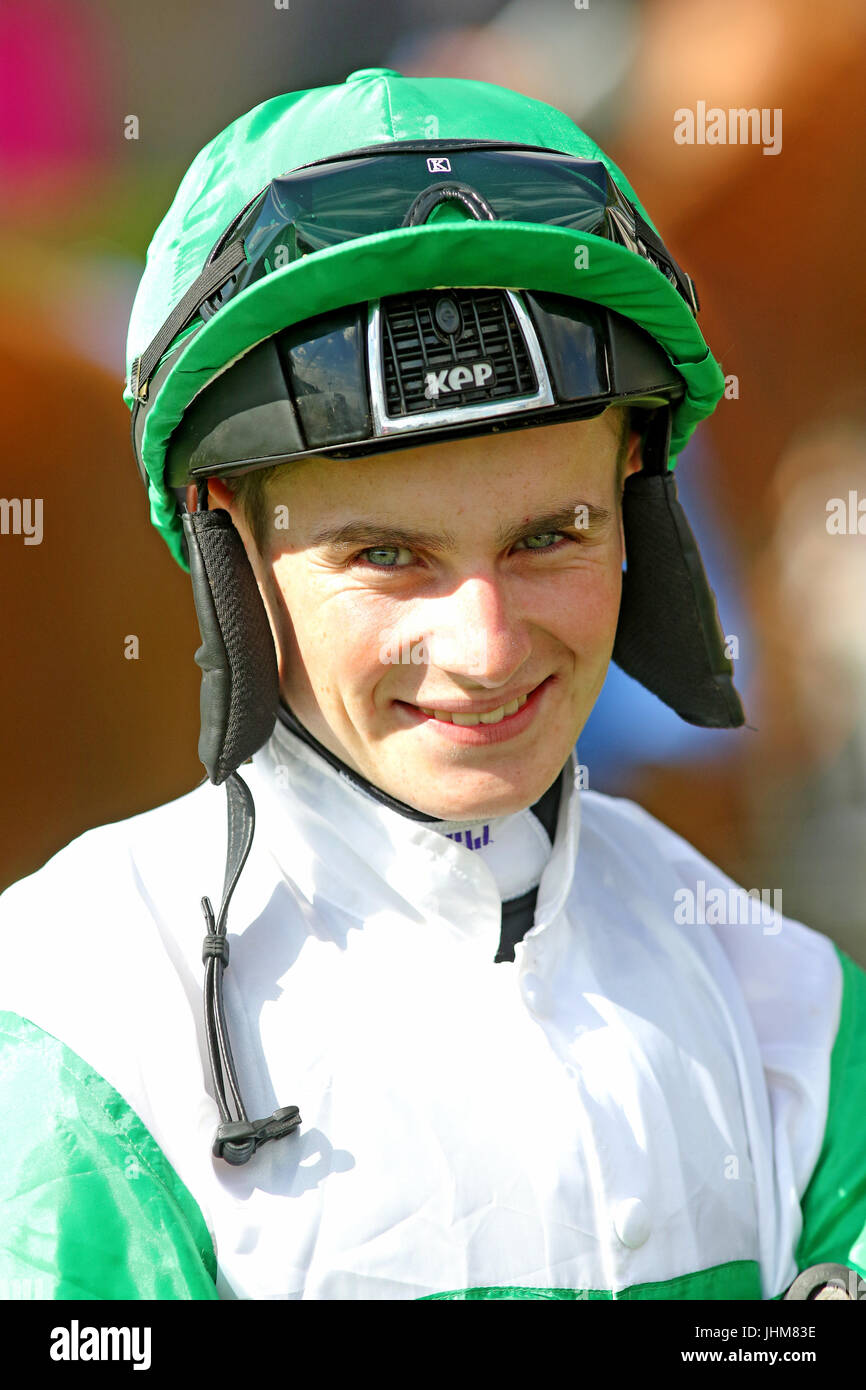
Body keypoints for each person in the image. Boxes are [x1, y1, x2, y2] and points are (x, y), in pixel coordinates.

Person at [1, 68, 864, 1303]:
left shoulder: (788, 1003)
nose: (485, 644)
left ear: (634, 495)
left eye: (550, 534)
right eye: (386, 555)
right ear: (224, 542)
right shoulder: (70, 1049)